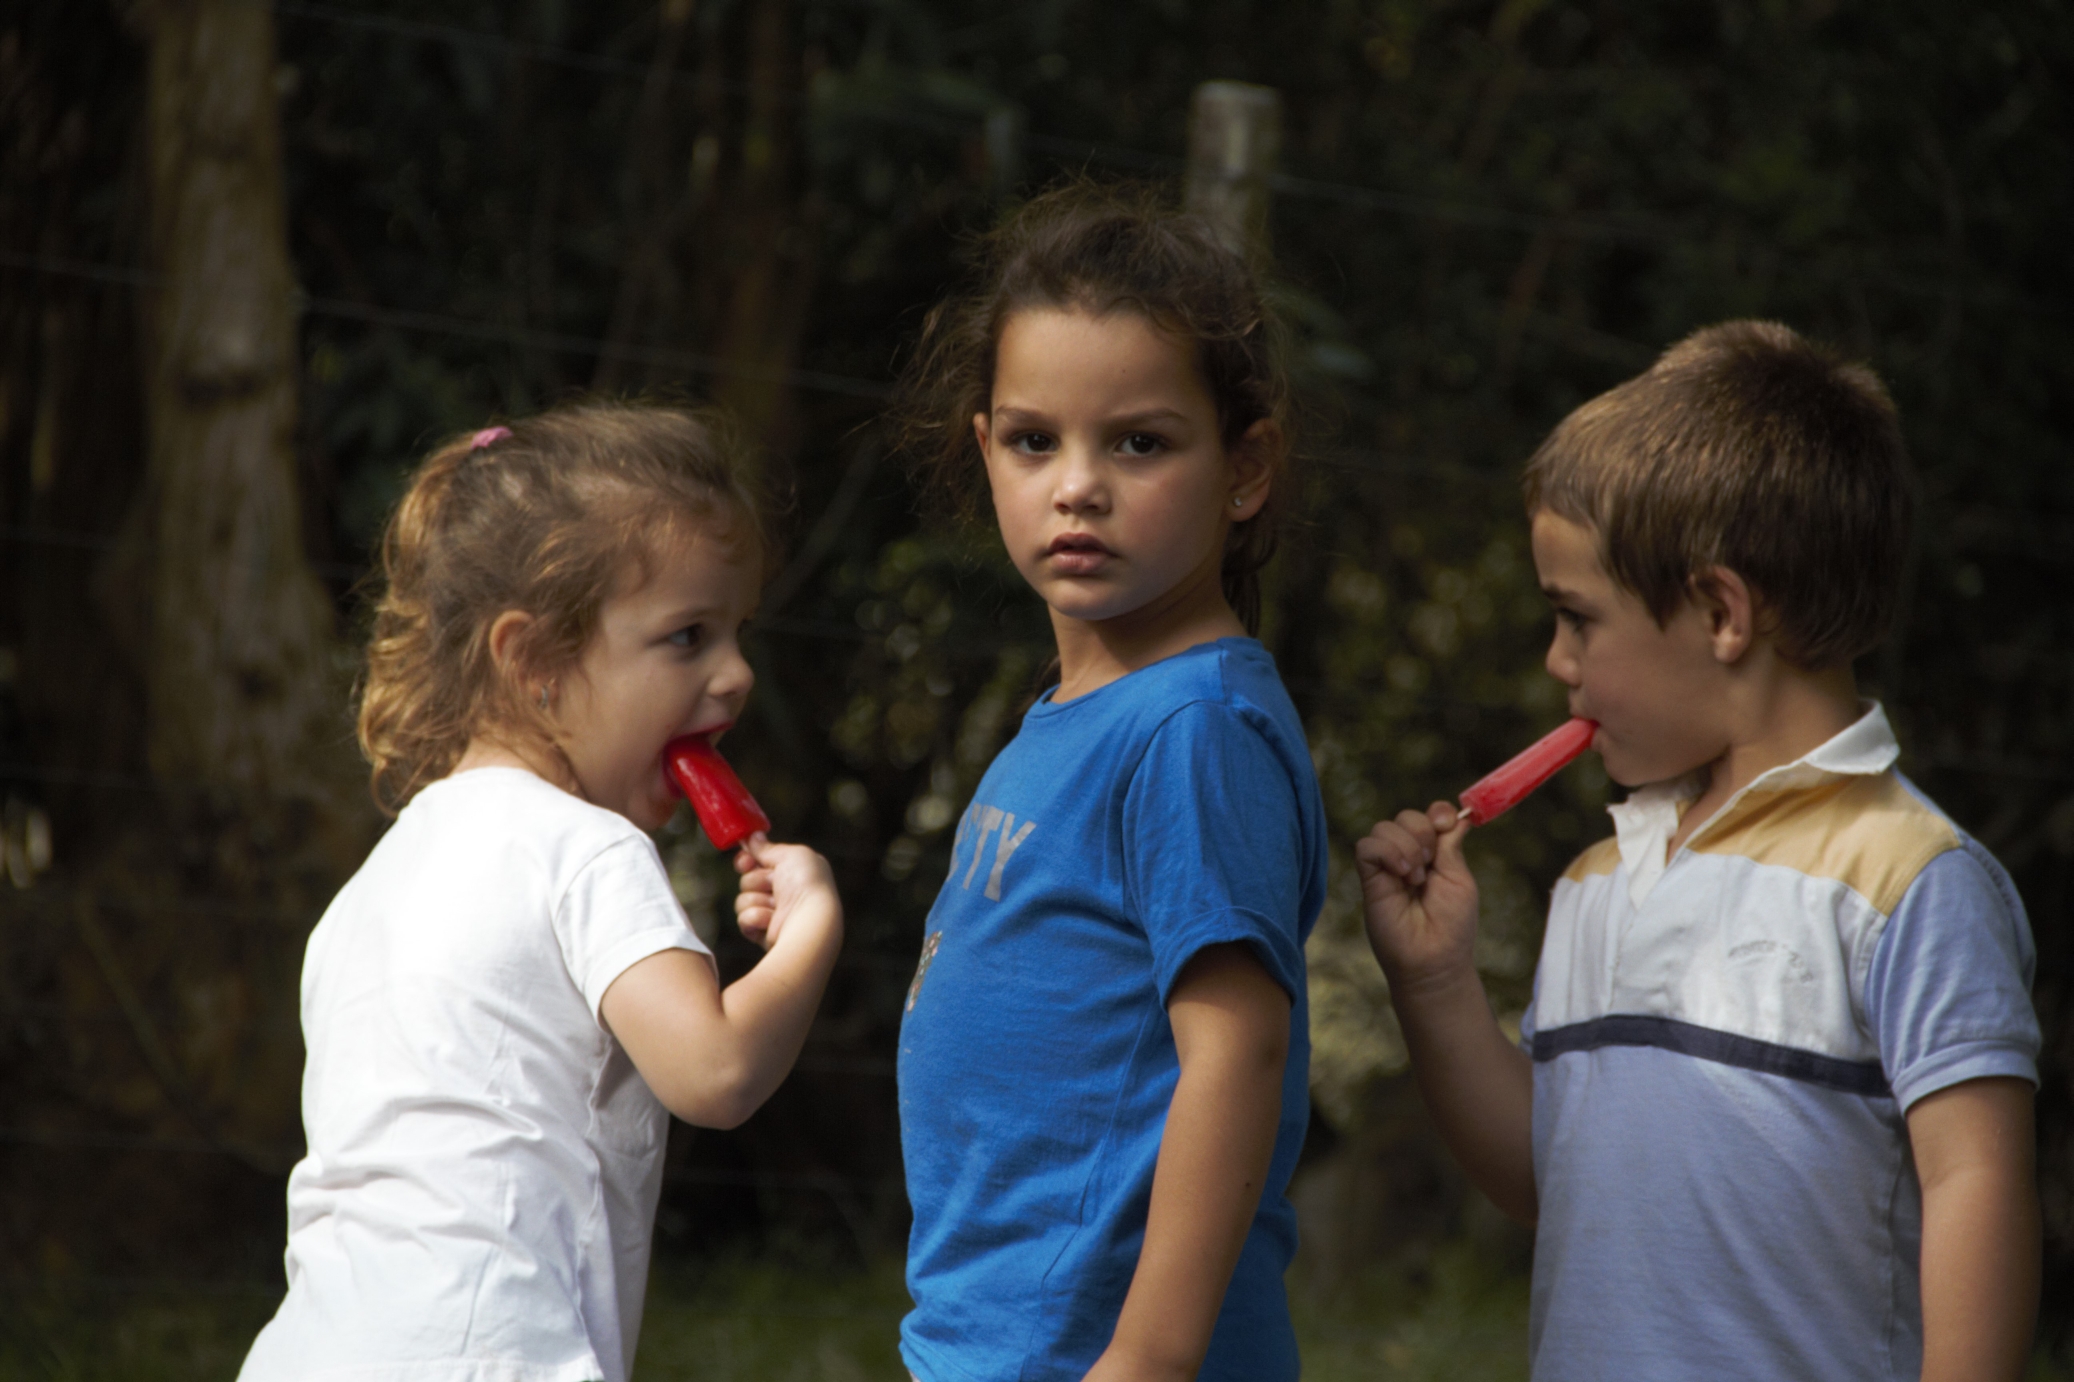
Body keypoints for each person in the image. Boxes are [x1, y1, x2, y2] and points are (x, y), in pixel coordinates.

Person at [1358, 322, 2041, 1382]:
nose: (1557, 661)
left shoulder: (1905, 878)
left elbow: (1976, 1182)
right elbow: (1547, 1178)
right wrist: (1435, 983)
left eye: (1576, 619)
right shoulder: (1594, 885)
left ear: (1722, 611)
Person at [238, 404, 844, 1382]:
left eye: (737, 632)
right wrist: (812, 926)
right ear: (536, 663)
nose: (736, 673)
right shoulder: (588, 851)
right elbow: (717, 1070)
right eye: (688, 636)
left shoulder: (366, 894)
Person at [889, 181, 1328, 1382]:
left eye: (1138, 442)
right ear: (984, 448)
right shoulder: (1072, 712)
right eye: (1034, 440)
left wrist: (1147, 1354)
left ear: (1244, 468)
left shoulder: (1192, 728)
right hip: (993, 1343)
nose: (1076, 484)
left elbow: (1236, 1048)